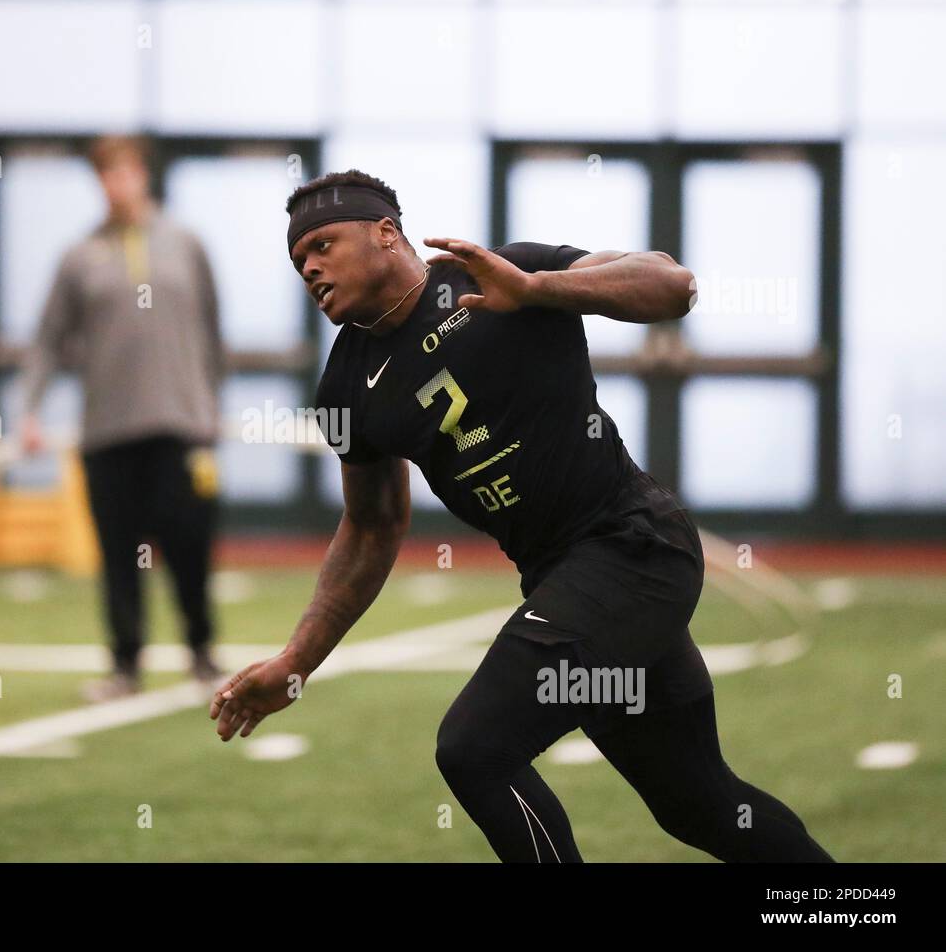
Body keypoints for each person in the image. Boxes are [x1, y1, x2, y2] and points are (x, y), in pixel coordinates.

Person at [209, 169, 833, 863]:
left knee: (475, 749)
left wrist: (541, 290)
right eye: (299, 260)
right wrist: (298, 659)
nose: (310, 267)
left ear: (386, 234)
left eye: (322, 244)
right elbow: (372, 526)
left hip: (634, 546)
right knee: (700, 803)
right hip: (565, 582)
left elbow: (671, 285)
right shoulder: (346, 388)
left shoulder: (507, 274)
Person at [21, 135, 225, 701]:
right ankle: (124, 665)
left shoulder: (186, 244)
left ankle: (203, 653)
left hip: (184, 428)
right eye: (106, 174)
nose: (118, 183)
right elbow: (45, 342)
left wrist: (212, 409)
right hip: (108, 432)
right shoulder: (78, 256)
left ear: (142, 174)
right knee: (118, 553)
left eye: (126, 171)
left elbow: (213, 334)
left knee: (189, 543)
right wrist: (29, 412)